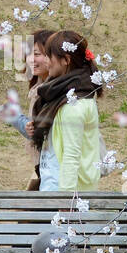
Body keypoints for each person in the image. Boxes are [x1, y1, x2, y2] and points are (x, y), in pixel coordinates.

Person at [29, 30, 103, 192]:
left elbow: (71, 155)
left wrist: (66, 202)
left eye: (49, 56)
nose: (46, 62)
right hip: (53, 185)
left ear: (66, 60)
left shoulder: (73, 104)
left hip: (65, 192)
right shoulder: (64, 95)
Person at [2, 30, 52, 191]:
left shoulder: (51, 91)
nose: (31, 59)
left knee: (29, 215)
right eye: (29, 54)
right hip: (43, 167)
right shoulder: (39, 87)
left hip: (51, 169)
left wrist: (16, 119)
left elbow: (40, 134)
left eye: (37, 54)